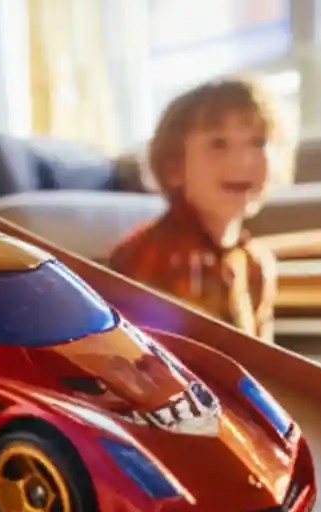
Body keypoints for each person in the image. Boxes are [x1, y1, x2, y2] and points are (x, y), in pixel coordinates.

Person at [108, 76, 289, 341]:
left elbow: (264, 361)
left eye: (258, 143)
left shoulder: (256, 263)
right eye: (219, 144)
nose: (243, 159)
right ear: (174, 167)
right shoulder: (152, 257)